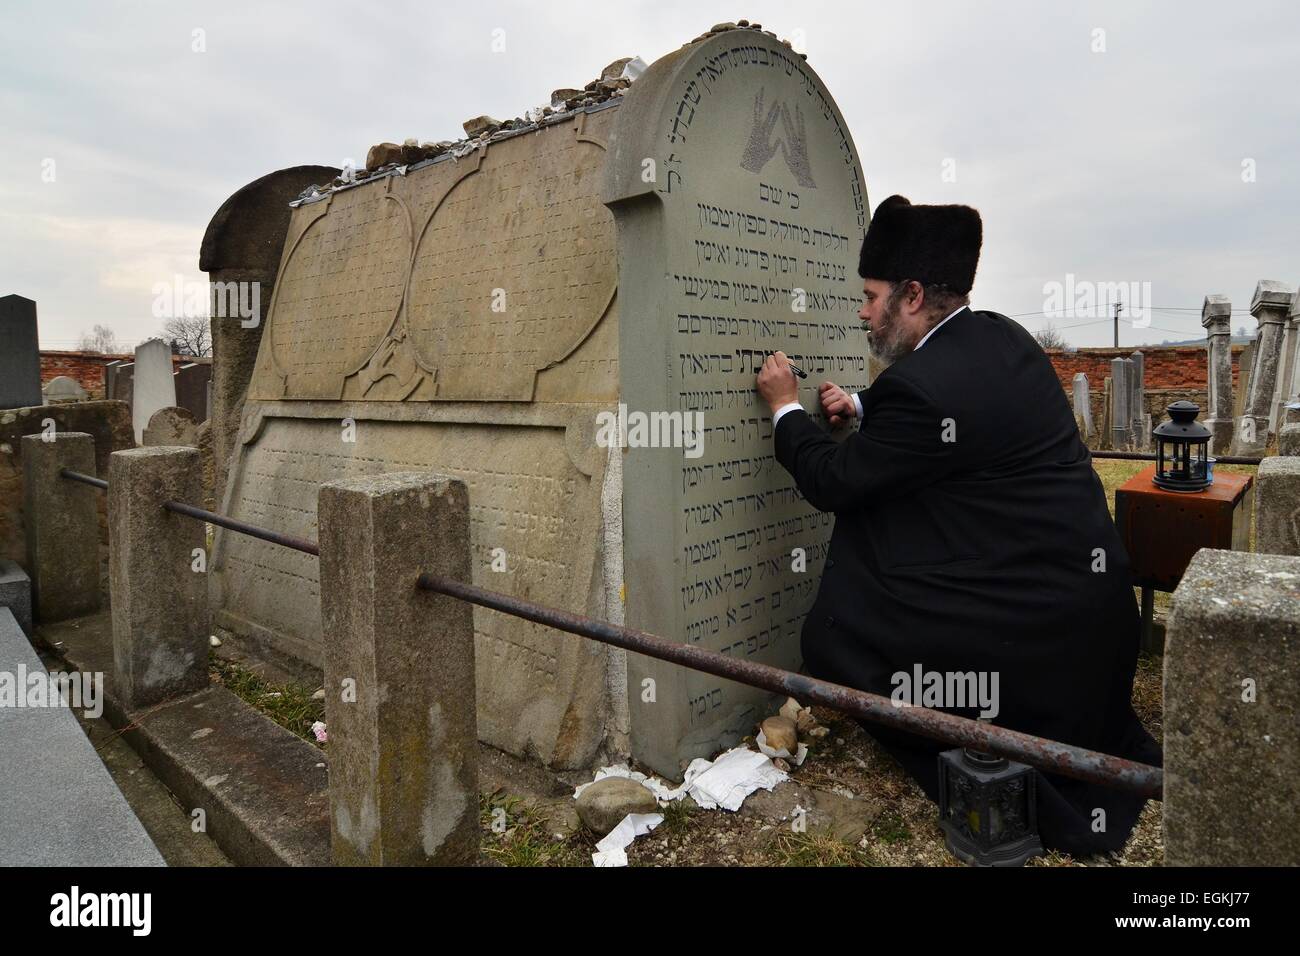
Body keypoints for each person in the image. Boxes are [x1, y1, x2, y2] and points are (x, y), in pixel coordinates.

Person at [754, 194, 1161, 856]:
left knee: (837, 633)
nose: (860, 311)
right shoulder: (999, 336)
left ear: (910, 296)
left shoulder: (923, 390)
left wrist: (785, 410)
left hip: (1030, 650)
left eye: (870, 294)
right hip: (1093, 632)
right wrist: (860, 402)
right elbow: (954, 408)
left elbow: (835, 482)